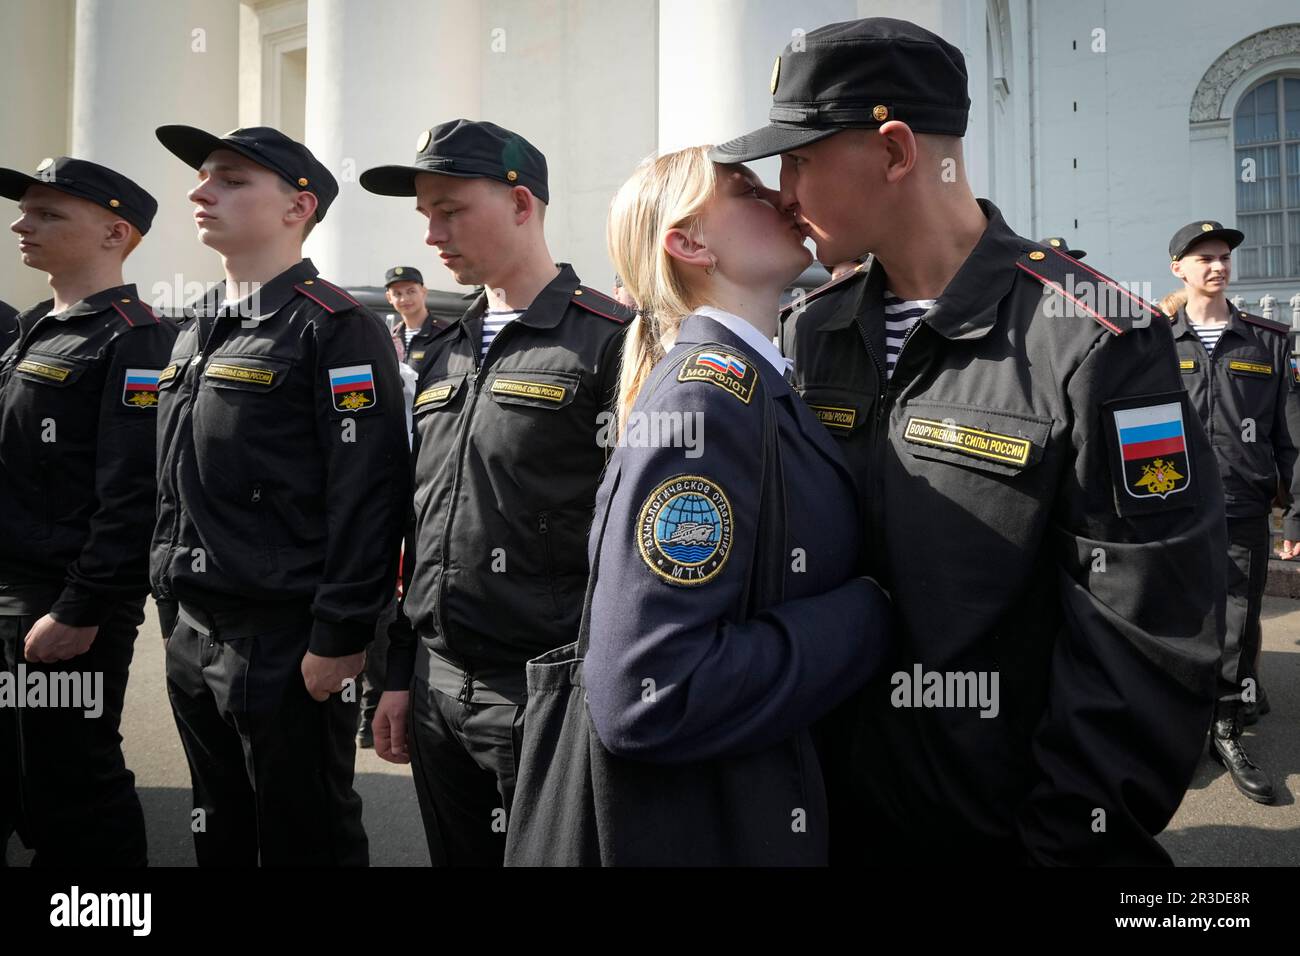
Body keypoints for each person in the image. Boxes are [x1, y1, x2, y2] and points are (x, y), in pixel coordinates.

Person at [712, 16, 1226, 866]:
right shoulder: (811, 331)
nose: (782, 190)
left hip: (998, 835)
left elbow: (1148, 632)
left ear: (896, 151)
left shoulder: (1096, 339)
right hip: (826, 815)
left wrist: (1063, 842)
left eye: (800, 157)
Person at [570, 146, 892, 863]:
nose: (782, 197)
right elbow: (650, 689)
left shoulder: (750, 380)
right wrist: (870, 613)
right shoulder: (707, 401)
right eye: (745, 190)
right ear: (689, 243)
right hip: (720, 823)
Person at [360, 119, 631, 866]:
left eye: (451, 210)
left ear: (521, 204)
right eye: (426, 216)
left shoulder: (612, 341)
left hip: (550, 692)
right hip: (437, 686)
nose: (433, 235)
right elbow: (421, 520)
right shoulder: (444, 348)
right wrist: (397, 675)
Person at [150, 125, 410, 866]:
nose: (203, 192)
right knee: (220, 828)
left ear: (299, 206)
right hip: (192, 627)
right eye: (205, 177)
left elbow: (368, 493)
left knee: (304, 837)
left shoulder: (334, 328)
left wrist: (340, 634)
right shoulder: (196, 323)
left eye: (231, 179)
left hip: (284, 639)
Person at [0, 156, 174, 865]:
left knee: (73, 786)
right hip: (12, 591)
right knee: (17, 779)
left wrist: (82, 607)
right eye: (25, 210)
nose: (22, 223)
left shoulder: (133, 337)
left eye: (48, 214)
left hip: (58, 603)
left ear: (114, 232)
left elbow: (132, 489)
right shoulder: (38, 325)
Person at [1165, 218, 1298, 803]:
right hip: (1171, 505)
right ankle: (1181, 724)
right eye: (1204, 258)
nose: (1217, 267)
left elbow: (1289, 438)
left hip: (1244, 505)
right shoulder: (1151, 340)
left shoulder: (1268, 341)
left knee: (1239, 621)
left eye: (1223, 257)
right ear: (1179, 269)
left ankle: (1226, 725)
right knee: (1175, 616)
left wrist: (1294, 515)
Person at [384, 265, 444, 368]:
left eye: (411, 291)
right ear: (389, 298)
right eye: (397, 294)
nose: (404, 299)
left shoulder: (444, 333)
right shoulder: (391, 336)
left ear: (423, 292)